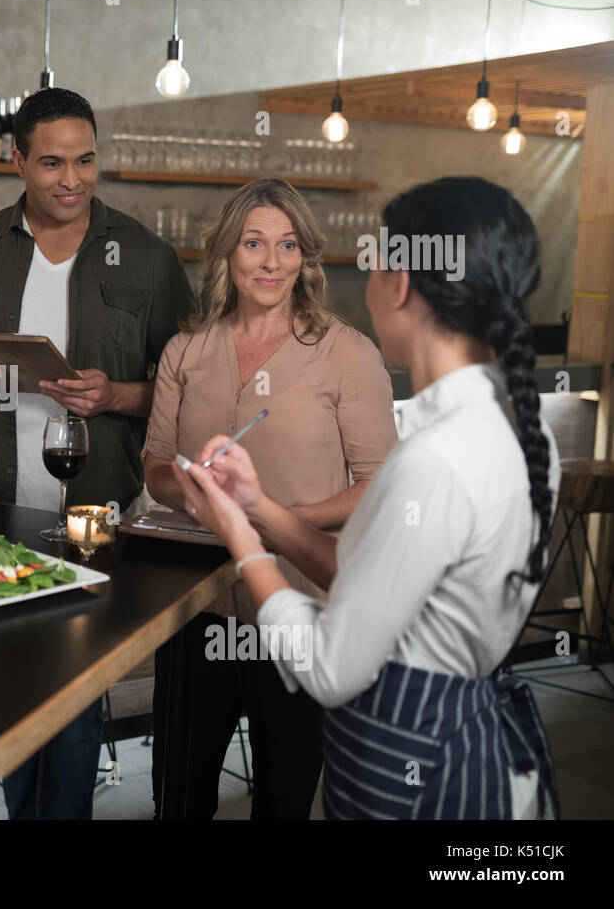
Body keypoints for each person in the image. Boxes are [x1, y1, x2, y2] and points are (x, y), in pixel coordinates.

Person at [172, 176, 560, 819]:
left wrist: (237, 532)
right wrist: (261, 507)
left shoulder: (434, 460)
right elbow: (370, 578)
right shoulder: (513, 425)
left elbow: (328, 667)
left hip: (420, 772)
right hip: (474, 748)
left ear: (401, 282)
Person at [0, 87, 194, 819]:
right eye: (51, 163)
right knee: (11, 694)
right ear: (16, 162)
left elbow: (184, 393)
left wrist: (116, 397)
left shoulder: (146, 256)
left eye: (85, 160)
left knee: (75, 696)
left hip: (95, 515)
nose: (71, 179)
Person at [142, 177, 396, 819]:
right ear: (228, 251)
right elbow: (154, 468)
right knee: (178, 789)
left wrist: (270, 522)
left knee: (283, 795)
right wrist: (193, 489)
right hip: (197, 608)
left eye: (287, 246)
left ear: (305, 257)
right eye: (254, 243)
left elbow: (379, 489)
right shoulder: (185, 351)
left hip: (299, 609)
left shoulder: (348, 354)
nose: (271, 262)